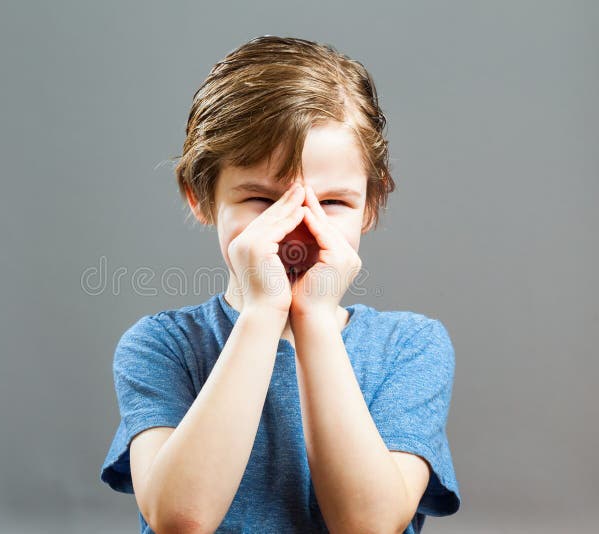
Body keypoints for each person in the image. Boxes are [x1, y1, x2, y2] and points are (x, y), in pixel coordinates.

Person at [100, 35, 460, 534]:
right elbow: (180, 519)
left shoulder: (410, 347)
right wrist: (262, 314)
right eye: (263, 202)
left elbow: (370, 525)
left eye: (332, 203)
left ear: (371, 205)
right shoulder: (163, 346)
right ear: (200, 198)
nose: (298, 230)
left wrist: (312, 319)